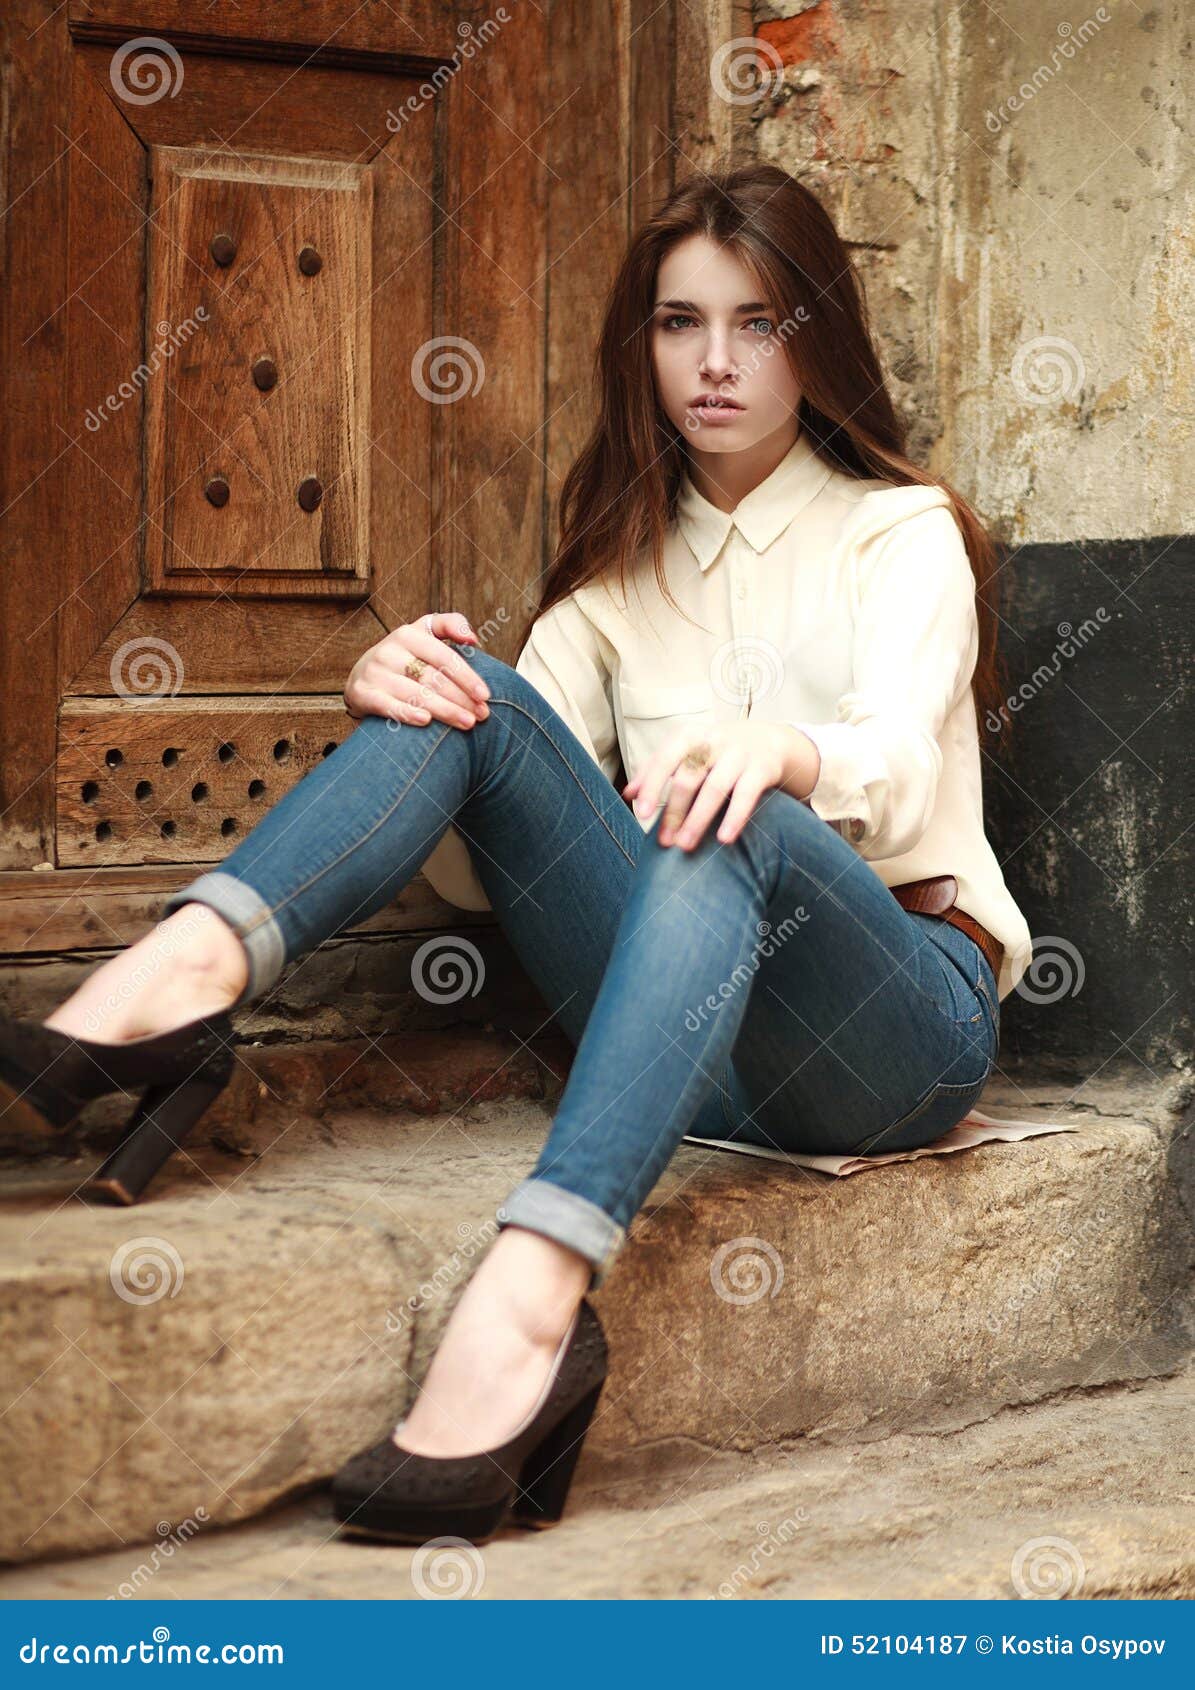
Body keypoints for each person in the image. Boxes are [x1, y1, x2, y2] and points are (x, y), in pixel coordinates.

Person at [0, 163, 1032, 1545]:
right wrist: (388, 699)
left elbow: (904, 773)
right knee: (465, 683)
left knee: (730, 805)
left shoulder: (898, 532)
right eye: (678, 323)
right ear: (643, 342)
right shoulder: (613, 577)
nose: (714, 363)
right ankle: (175, 985)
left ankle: (531, 1298)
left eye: (760, 323)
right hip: (695, 1042)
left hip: (889, 1023)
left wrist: (778, 753)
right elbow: (486, 879)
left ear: (819, 338)